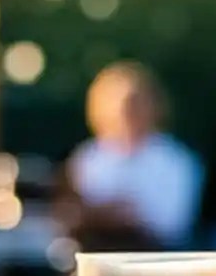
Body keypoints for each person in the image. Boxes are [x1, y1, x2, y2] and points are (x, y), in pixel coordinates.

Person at [65, 62, 201, 250]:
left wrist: (121, 216)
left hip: (155, 260)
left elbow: (172, 225)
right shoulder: (87, 157)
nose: (126, 112)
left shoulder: (176, 160)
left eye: (135, 103)